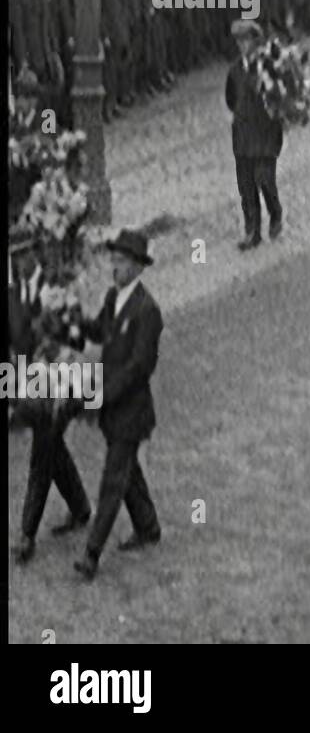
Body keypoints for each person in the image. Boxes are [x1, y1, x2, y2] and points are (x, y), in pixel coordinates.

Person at [72, 230, 164, 582]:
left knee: (113, 480)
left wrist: (102, 394)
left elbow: (139, 368)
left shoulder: (147, 311)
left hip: (131, 411)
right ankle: (148, 525)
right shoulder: (113, 298)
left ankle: (91, 554)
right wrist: (74, 323)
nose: (115, 267)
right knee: (127, 471)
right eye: (113, 260)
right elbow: (99, 331)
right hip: (113, 409)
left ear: (138, 267)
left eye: (122, 262)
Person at [12, 231, 92, 565]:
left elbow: (78, 341)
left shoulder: (59, 289)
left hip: (67, 382)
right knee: (52, 444)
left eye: (24, 253)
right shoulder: (13, 294)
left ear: (37, 252)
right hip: (30, 385)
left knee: (42, 451)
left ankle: (27, 534)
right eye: (14, 255)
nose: (20, 261)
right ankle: (80, 507)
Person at [225, 20, 284, 250]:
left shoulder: (267, 66)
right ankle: (252, 231)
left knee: (265, 178)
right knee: (246, 186)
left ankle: (275, 212)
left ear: (255, 42)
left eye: (246, 41)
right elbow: (231, 99)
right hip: (243, 135)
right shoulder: (235, 71)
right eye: (239, 41)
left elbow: (278, 95)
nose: (243, 46)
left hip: (265, 133)